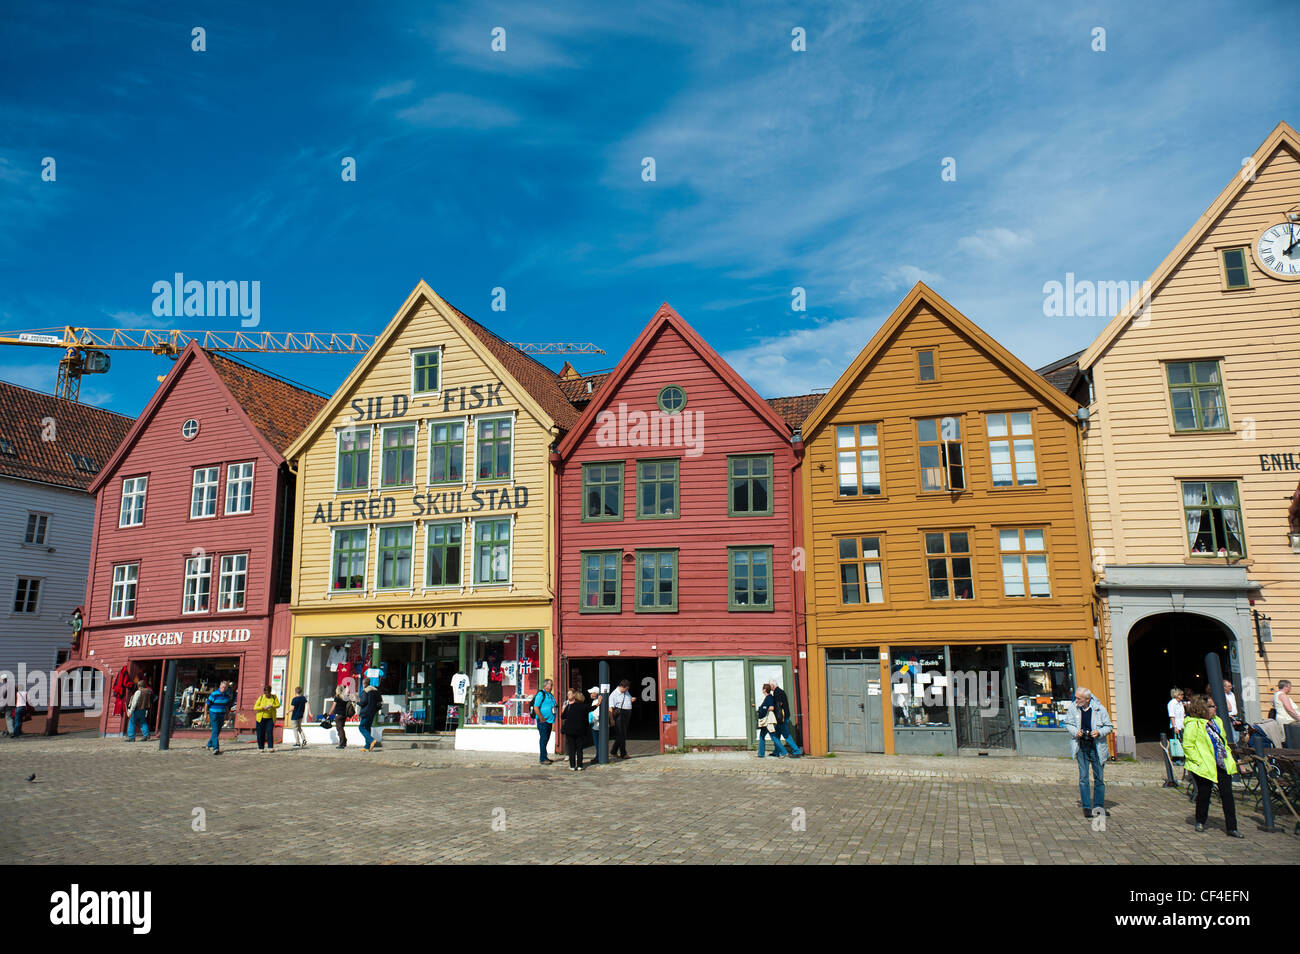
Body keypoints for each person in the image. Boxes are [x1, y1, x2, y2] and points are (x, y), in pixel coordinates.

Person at [1183, 695, 1244, 838]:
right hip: (1204, 765)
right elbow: (1188, 745)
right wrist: (1198, 761)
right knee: (1205, 793)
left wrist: (1228, 756)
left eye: (1214, 705)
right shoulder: (1193, 724)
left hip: (1221, 762)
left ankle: (1232, 827)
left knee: (1227, 795)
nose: (1215, 708)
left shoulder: (1217, 721)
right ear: (1202, 708)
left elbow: (1222, 740)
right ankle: (1200, 820)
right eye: (1211, 706)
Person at [1062, 687, 1112, 819]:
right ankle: (1086, 807)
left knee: (1099, 778)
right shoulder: (1073, 708)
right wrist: (1075, 732)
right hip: (1081, 745)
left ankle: (1099, 806)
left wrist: (1099, 732)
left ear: (1087, 699)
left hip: (1096, 747)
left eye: (1079, 698)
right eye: (1076, 698)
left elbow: (1109, 726)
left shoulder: (1099, 709)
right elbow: (1068, 723)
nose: (1076, 700)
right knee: (1083, 778)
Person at [770, 679, 803, 758]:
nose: (769, 687)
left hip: (781, 718)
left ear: (773, 686)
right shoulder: (781, 691)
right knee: (777, 734)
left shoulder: (777, 692)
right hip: (783, 716)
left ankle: (796, 751)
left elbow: (778, 705)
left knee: (786, 735)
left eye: (770, 685)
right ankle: (777, 751)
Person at [757, 683, 790, 758]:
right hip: (766, 721)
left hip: (768, 721)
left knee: (773, 737)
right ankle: (761, 754)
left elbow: (772, 707)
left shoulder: (769, 698)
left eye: (763, 689)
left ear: (764, 690)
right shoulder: (769, 697)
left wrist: (763, 708)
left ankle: (784, 752)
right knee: (762, 736)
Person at [561, 688, 589, 771]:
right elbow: (591, 708)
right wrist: (598, 703)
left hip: (570, 730)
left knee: (571, 749)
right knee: (579, 749)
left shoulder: (569, 706)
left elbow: (562, 716)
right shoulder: (584, 706)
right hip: (580, 730)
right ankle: (580, 765)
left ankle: (572, 766)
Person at [531, 678, 556, 765]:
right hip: (543, 721)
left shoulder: (550, 695)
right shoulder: (541, 694)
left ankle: (545, 756)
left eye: (552, 685)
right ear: (545, 685)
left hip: (549, 721)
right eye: (550, 684)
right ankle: (542, 758)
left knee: (546, 739)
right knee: (543, 739)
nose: (552, 686)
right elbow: (536, 707)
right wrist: (541, 717)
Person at [206, 680, 233, 755]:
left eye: (225, 687)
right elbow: (207, 704)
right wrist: (205, 714)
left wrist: (227, 715)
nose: (223, 688)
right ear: (220, 686)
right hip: (213, 714)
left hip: (221, 714)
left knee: (217, 731)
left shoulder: (227, 695)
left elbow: (227, 706)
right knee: (215, 730)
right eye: (222, 687)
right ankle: (216, 748)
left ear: (227, 688)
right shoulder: (214, 694)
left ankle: (208, 744)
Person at [608, 678, 633, 759]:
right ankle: (623, 753)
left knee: (622, 734)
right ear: (622, 687)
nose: (627, 690)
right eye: (626, 688)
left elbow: (626, 700)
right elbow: (610, 708)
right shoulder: (614, 694)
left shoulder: (626, 692)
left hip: (627, 713)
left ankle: (614, 751)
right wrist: (611, 719)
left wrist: (631, 700)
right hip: (620, 714)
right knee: (621, 734)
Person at [357, 681, 383, 751]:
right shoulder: (376, 691)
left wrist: (357, 701)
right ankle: (367, 747)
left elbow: (363, 702)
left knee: (361, 727)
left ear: (364, 683)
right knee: (367, 727)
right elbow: (380, 701)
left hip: (366, 712)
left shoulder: (365, 691)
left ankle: (371, 740)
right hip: (373, 712)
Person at [126, 678, 154, 742]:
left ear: (139, 686)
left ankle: (131, 737)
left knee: (131, 722)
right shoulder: (148, 692)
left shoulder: (138, 692)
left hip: (137, 709)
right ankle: (146, 735)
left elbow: (134, 702)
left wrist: (130, 711)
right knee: (143, 722)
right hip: (144, 709)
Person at [254, 684, 279, 752]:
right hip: (261, 718)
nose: (267, 694)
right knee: (260, 733)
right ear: (264, 692)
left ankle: (270, 747)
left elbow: (278, 705)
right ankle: (261, 747)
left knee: (269, 732)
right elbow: (255, 707)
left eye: (268, 693)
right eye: (266, 693)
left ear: (270, 692)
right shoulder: (261, 697)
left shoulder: (274, 697)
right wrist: (262, 708)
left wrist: (272, 706)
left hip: (270, 718)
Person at [587, 685, 603, 756]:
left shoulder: (597, 701)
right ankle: (598, 755)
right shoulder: (594, 701)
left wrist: (591, 720)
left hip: (596, 725)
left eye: (592, 693)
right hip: (595, 724)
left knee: (597, 742)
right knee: (597, 742)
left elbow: (597, 714)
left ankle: (598, 756)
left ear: (596, 693)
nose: (590, 694)